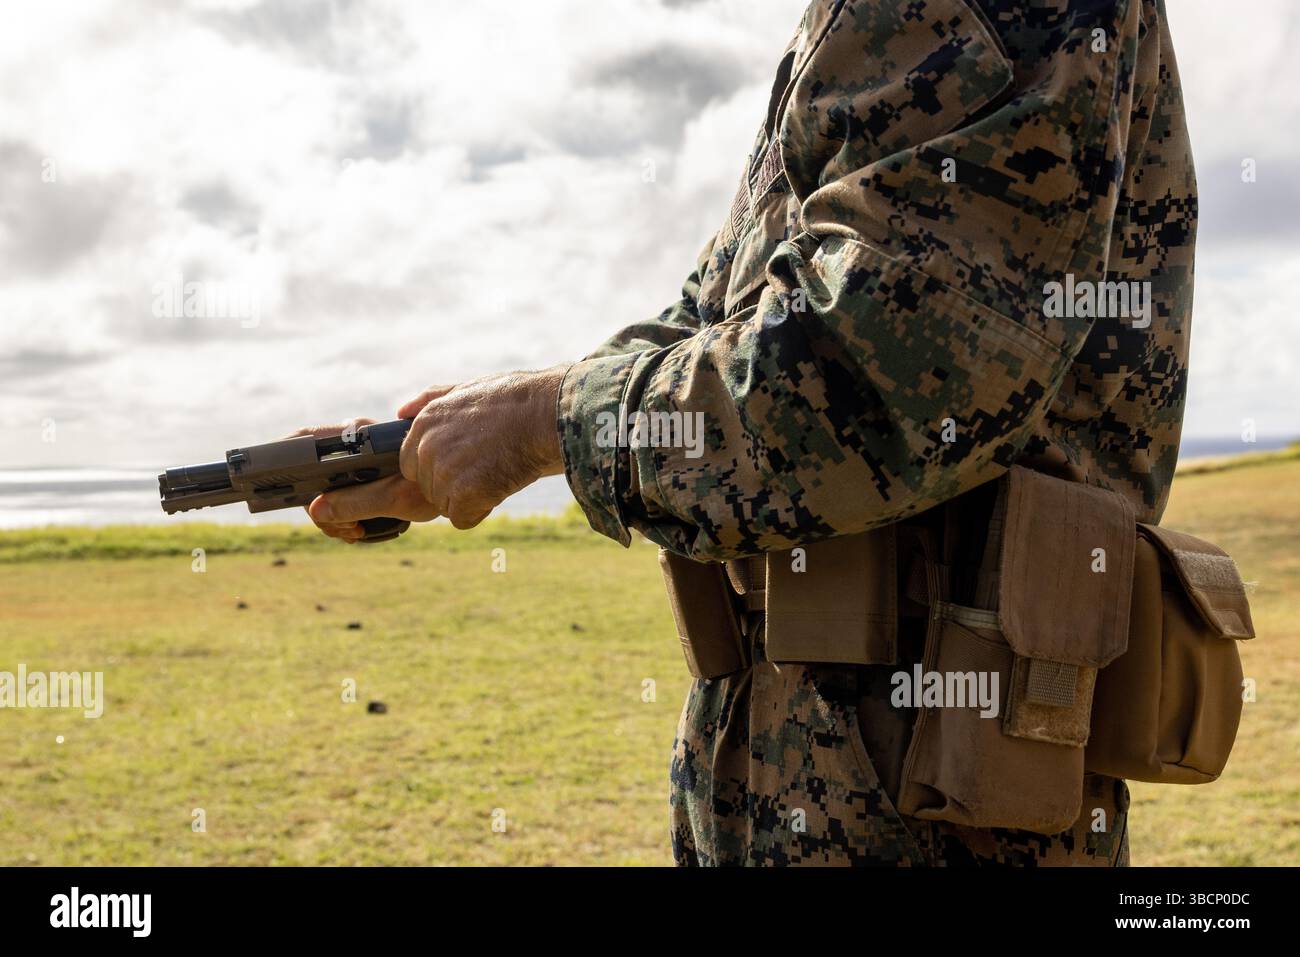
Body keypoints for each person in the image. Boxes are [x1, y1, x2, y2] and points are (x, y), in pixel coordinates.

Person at [302, 0, 1196, 866]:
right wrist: (460, 441)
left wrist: (549, 421)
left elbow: (867, 376)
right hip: (804, 769)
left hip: (931, 791)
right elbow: (722, 320)